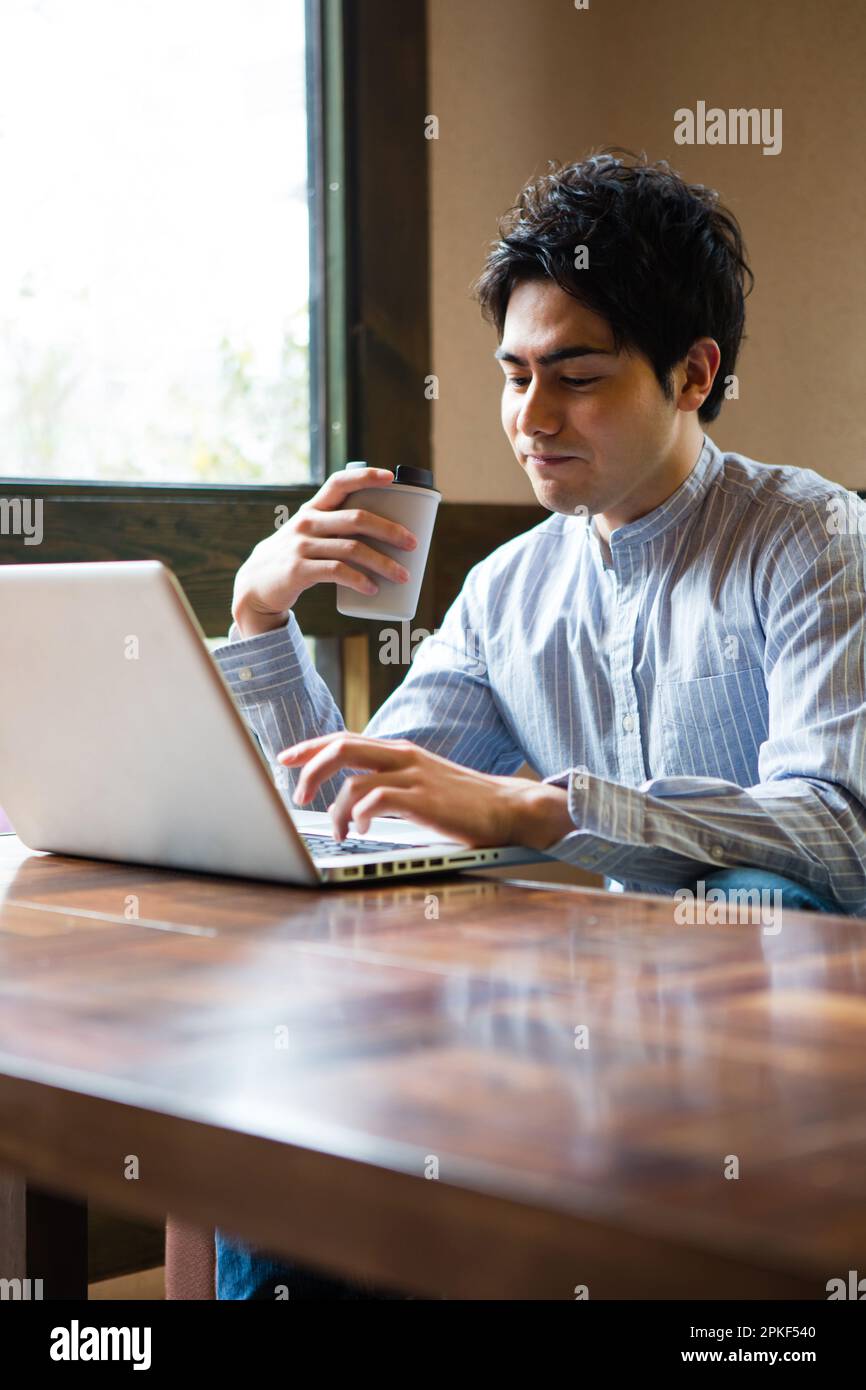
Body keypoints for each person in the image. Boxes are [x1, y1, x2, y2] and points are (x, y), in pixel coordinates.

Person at [210, 150, 866, 1298]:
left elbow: (834, 831)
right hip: (594, 1030)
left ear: (691, 374)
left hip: (781, 1040)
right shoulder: (510, 589)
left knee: (758, 906)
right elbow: (361, 804)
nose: (529, 416)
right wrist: (259, 616)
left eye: (573, 375)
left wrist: (533, 807)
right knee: (309, 1020)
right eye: (512, 375)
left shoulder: (813, 542)